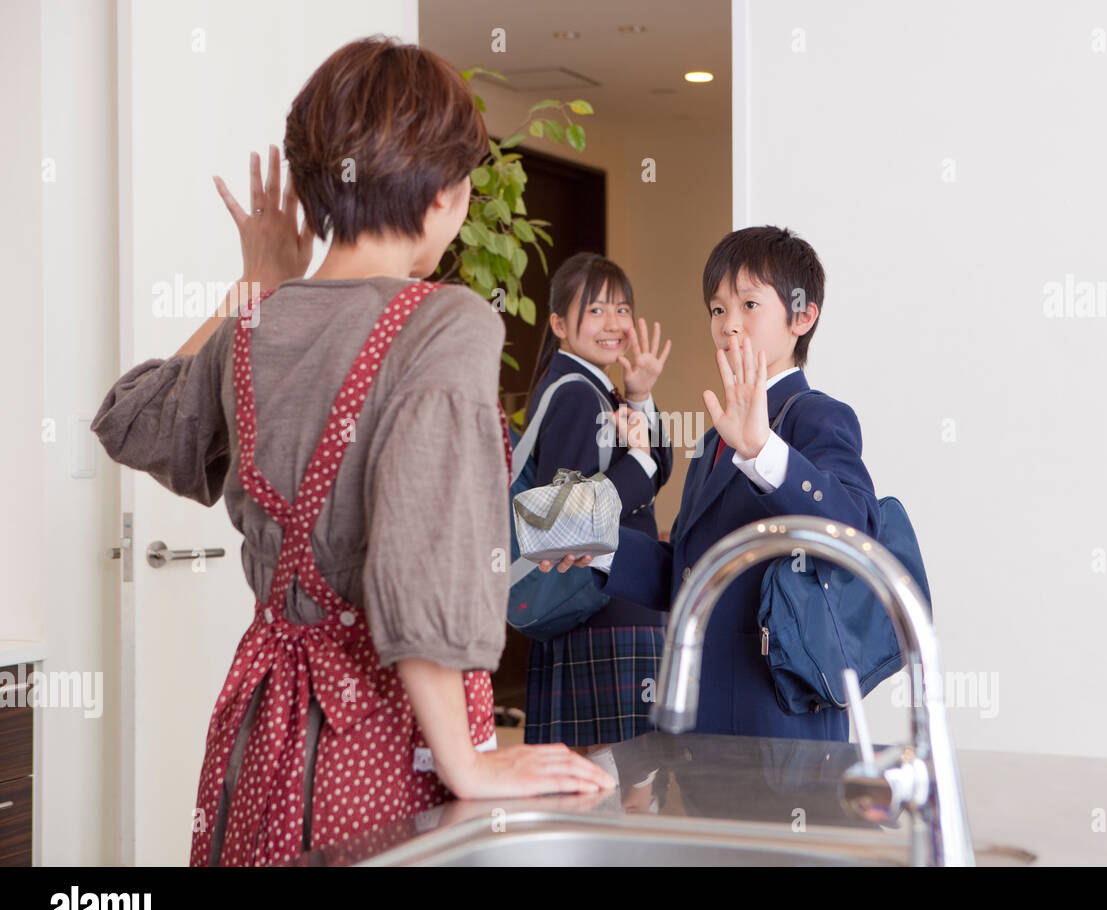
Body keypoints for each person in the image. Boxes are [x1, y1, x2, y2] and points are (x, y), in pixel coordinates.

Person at [91, 37, 611, 867]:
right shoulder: (446, 322)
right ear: (443, 194)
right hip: (385, 735)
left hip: (262, 730)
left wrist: (257, 284)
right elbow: (422, 556)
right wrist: (464, 761)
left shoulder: (256, 326)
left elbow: (134, 419)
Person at [540, 226, 878, 741]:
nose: (729, 325)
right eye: (718, 310)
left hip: (779, 722)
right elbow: (686, 573)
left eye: (749, 304)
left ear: (802, 316)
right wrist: (600, 542)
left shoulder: (816, 417)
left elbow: (852, 531)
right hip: (701, 716)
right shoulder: (714, 438)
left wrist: (764, 450)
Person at [519, 252, 673, 749]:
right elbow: (563, 518)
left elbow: (656, 473)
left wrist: (640, 396)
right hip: (604, 612)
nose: (614, 323)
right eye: (597, 310)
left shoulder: (591, 388)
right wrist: (641, 462)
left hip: (603, 611)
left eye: (622, 309)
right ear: (559, 323)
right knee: (621, 787)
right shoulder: (577, 395)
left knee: (607, 786)